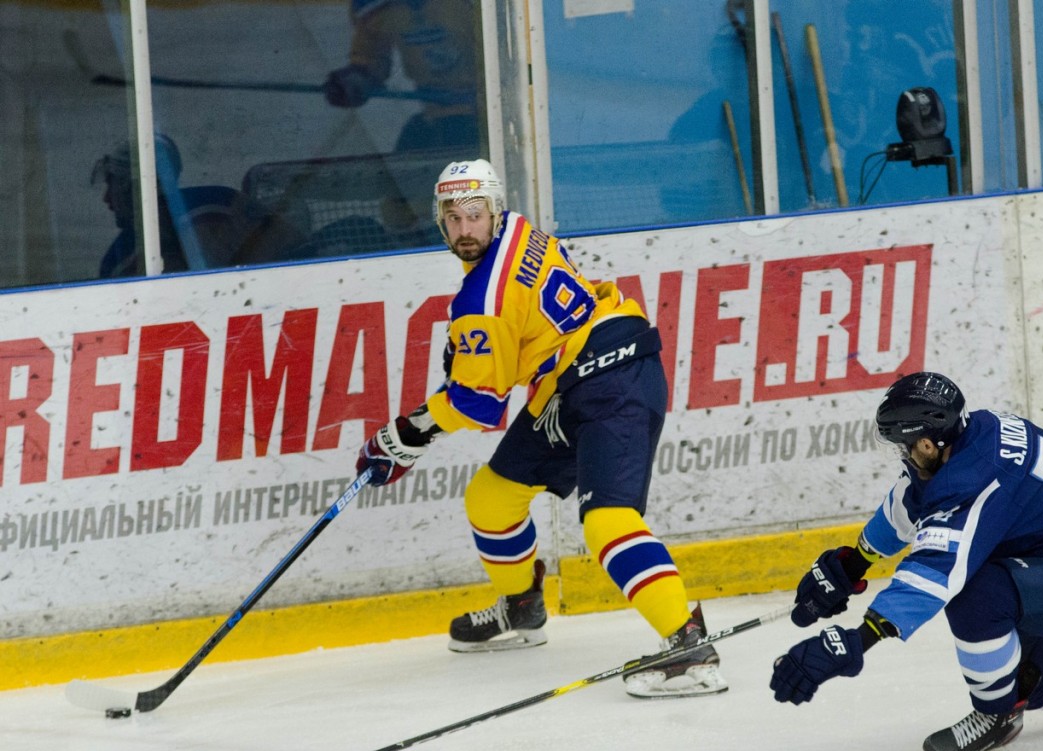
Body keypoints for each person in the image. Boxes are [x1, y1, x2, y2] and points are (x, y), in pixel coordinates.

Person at [354, 159, 728, 699]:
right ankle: (522, 608)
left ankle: (689, 644)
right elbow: (514, 343)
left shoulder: (480, 302)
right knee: (492, 497)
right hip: (570, 380)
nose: (465, 230)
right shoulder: (520, 230)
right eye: (454, 218)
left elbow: (477, 403)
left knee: (606, 520)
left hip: (614, 377)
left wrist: (405, 436)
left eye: (474, 216)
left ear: (494, 212)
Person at [768, 372, 1043, 751]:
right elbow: (915, 498)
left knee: (977, 594)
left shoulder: (972, 482)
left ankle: (994, 717)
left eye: (903, 444)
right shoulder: (975, 432)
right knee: (1021, 679)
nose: (902, 453)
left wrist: (859, 639)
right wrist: (854, 563)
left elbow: (933, 574)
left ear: (928, 444)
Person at [95, 135, 306, 278]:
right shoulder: (120, 256)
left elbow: (300, 251)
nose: (106, 199)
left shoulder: (212, 211)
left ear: (134, 186)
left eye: (111, 185)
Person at [322, 0, 482, 153]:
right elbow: (371, 57)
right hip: (435, 118)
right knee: (409, 163)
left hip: (489, 116)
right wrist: (357, 78)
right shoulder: (377, 7)